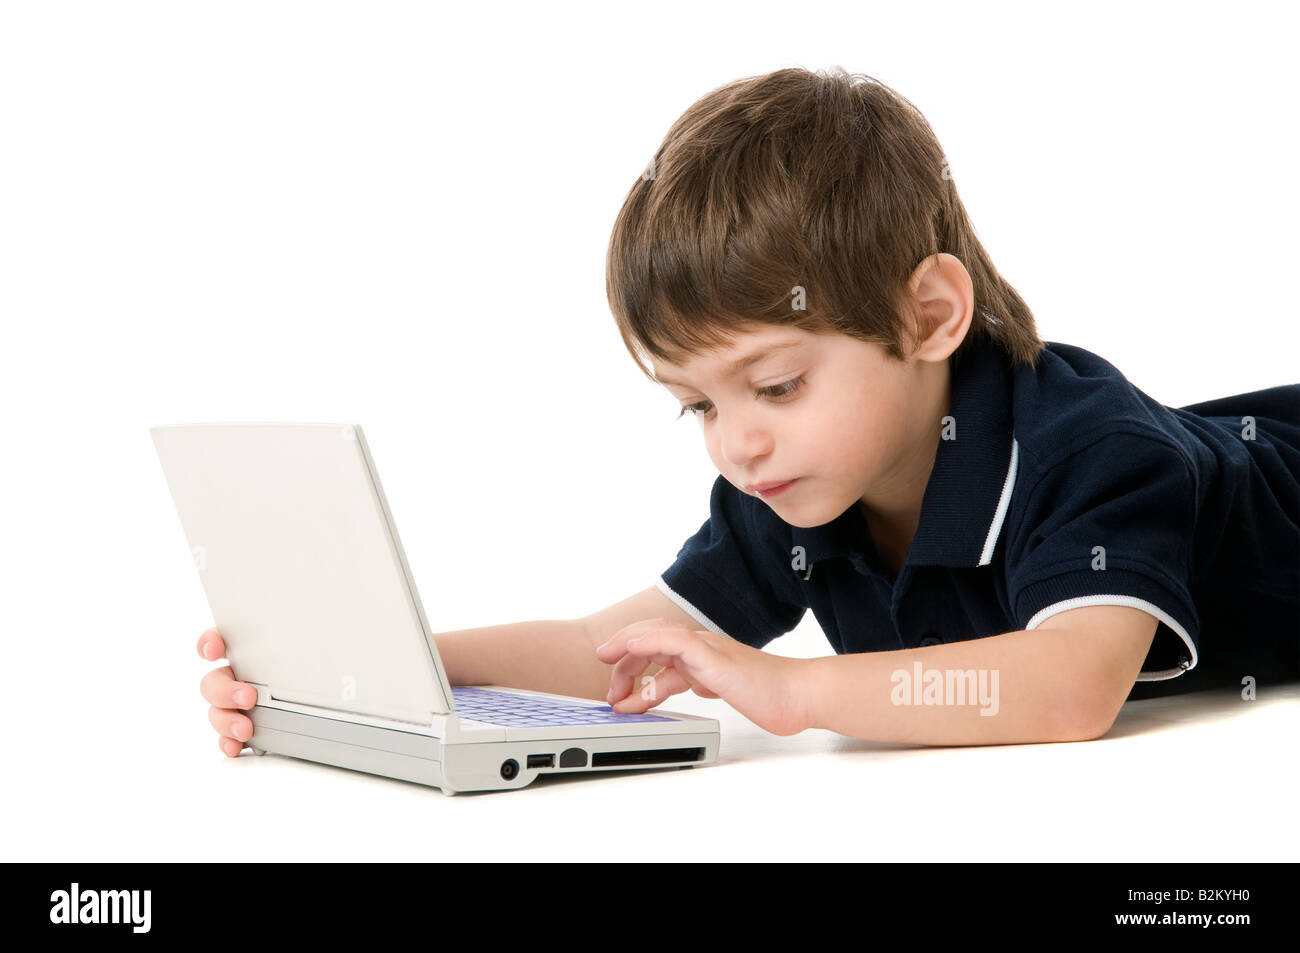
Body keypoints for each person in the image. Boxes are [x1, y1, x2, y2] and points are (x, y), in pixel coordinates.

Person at [199, 66, 1300, 755]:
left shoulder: (1089, 452)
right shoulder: (801, 482)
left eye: (773, 385)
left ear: (927, 315)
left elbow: (1067, 687)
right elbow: (614, 647)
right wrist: (405, 658)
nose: (738, 441)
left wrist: (790, 686)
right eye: (697, 407)